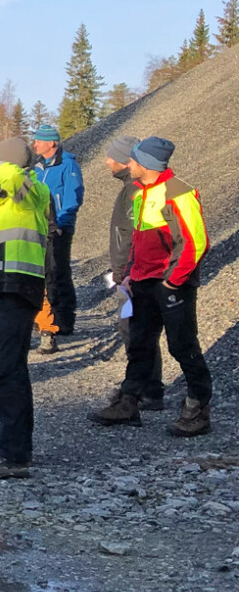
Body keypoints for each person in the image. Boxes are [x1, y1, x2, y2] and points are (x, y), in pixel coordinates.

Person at [90, 137, 213, 437]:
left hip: (170, 285)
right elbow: (139, 240)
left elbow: (196, 243)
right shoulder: (142, 194)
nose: (127, 164)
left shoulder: (179, 193)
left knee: (182, 345)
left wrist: (173, 280)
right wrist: (132, 274)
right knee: (140, 343)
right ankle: (129, 403)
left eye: (132, 160)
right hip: (144, 283)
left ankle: (198, 409)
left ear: (146, 164)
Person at [0, 138, 50, 479]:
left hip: (16, 287)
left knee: (10, 371)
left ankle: (14, 455)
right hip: (1, 290)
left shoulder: (28, 192)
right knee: (8, 369)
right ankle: (12, 446)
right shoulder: (5, 201)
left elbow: (16, 176)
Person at [102, 136, 159, 404]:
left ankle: (143, 391)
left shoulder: (135, 190)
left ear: (126, 160)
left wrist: (125, 272)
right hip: (129, 273)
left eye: (112, 156)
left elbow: (134, 234)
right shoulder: (131, 187)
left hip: (133, 275)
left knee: (135, 330)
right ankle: (143, 388)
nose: (107, 161)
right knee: (135, 329)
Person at [31, 124, 83, 335]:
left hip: (59, 228)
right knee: (44, 273)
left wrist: (61, 223)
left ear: (51, 143)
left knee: (59, 272)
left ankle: (65, 319)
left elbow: (73, 197)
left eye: (38, 140)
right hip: (41, 228)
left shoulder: (68, 165)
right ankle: (46, 318)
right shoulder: (38, 167)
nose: (34, 144)